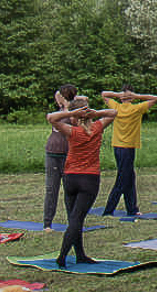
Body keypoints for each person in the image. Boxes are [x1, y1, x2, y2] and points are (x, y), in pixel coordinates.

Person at [46, 97, 119, 266]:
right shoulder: (97, 128)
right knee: (77, 219)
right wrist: (96, 113)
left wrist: (72, 113)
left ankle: (80, 255)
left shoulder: (72, 131)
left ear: (75, 117)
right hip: (89, 179)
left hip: (71, 177)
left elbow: (51, 118)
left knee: (74, 219)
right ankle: (62, 256)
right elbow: (114, 112)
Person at [100, 88, 157, 217]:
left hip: (118, 146)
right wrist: (136, 95)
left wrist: (119, 95)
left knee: (130, 177)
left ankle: (132, 208)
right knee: (122, 179)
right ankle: (109, 210)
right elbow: (155, 98)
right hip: (127, 147)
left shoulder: (116, 106)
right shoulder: (136, 108)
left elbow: (104, 94)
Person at [41, 85, 77, 229]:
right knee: (51, 189)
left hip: (68, 154)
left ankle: (73, 222)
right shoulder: (58, 113)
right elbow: (51, 116)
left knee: (69, 189)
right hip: (52, 153)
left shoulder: (75, 113)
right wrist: (63, 102)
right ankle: (47, 223)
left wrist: (69, 103)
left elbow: (83, 100)